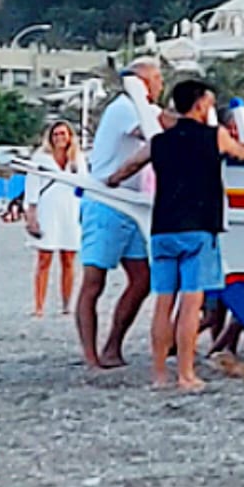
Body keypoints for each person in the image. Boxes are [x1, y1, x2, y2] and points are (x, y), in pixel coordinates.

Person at [106, 80, 244, 391]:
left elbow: (127, 167)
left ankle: (159, 375)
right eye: (209, 104)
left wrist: (111, 180)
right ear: (200, 105)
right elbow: (243, 153)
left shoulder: (160, 142)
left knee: (163, 302)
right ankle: (186, 374)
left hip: (163, 228)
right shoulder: (215, 136)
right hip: (198, 227)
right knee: (190, 302)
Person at [76, 58, 162, 370]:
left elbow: (163, 128)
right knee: (94, 281)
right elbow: (153, 138)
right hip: (106, 200)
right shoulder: (126, 107)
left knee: (142, 279)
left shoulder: (146, 109)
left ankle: (113, 345)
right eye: (156, 78)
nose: (159, 85)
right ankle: (90, 355)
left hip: (131, 203)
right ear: (141, 82)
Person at [23, 120, 85, 317]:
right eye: (56, 134)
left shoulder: (77, 158)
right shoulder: (40, 158)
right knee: (44, 258)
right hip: (47, 209)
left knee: (69, 259)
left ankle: (67, 303)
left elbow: (85, 184)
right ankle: (39, 305)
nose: (60, 138)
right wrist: (30, 214)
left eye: (63, 134)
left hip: (71, 209)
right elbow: (32, 185)